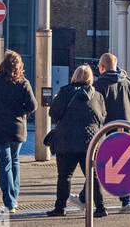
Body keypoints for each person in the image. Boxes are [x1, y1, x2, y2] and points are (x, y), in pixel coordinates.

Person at [0, 50, 38, 214]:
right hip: (17, 128)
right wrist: (20, 110)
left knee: (4, 165)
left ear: (3, 64)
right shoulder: (24, 83)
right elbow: (33, 106)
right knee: (15, 161)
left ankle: (9, 202)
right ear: (19, 66)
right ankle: (14, 198)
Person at [46, 64, 107, 218]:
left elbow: (54, 112)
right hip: (90, 142)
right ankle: (100, 208)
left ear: (75, 76)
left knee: (65, 176)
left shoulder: (65, 91)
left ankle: (60, 208)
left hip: (67, 141)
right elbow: (103, 116)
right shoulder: (97, 95)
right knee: (93, 176)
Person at [87, 53, 130, 214]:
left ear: (102, 67)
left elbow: (95, 109)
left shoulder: (99, 85)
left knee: (100, 165)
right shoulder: (129, 82)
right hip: (128, 129)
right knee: (124, 165)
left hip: (106, 131)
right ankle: (127, 202)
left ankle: (84, 198)